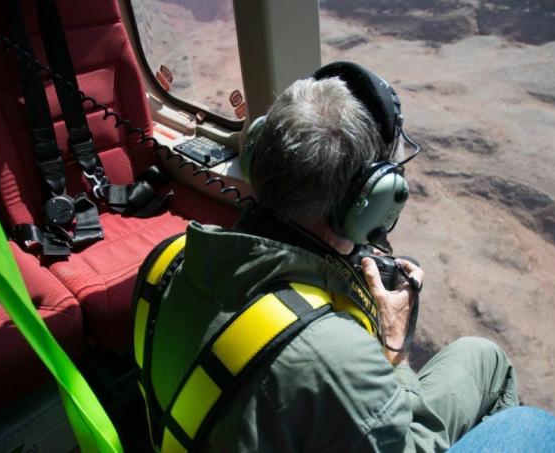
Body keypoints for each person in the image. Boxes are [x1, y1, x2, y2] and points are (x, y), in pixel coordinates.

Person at [138, 62, 520, 452]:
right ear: (370, 204)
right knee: (490, 362)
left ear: (255, 151)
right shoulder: (335, 353)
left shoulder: (166, 261)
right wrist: (393, 347)